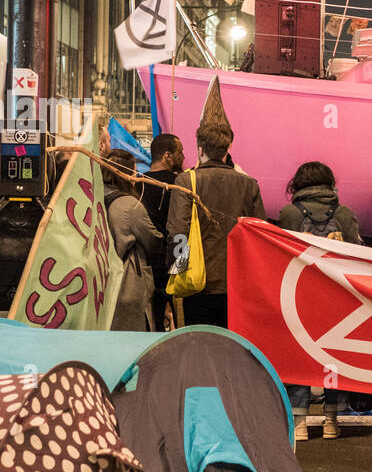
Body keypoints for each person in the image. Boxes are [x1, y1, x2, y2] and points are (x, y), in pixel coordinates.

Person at [277, 161, 362, 440]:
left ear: (298, 184)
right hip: (336, 298)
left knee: (299, 354)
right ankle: (331, 421)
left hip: (298, 295)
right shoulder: (345, 214)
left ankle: (299, 424)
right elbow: (358, 257)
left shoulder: (289, 214)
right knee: (332, 356)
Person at [165, 119, 266, 329]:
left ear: (200, 149)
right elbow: (259, 233)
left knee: (201, 343)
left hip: (197, 281)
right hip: (237, 281)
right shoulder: (249, 184)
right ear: (227, 149)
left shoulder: (186, 180)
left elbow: (177, 230)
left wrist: (179, 270)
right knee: (232, 343)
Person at [102, 149, 162, 332]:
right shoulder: (129, 205)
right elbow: (153, 241)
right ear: (127, 173)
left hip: (100, 280)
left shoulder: (93, 199)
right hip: (127, 282)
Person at [139, 133, 184, 329]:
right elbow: (182, 226)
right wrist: (181, 265)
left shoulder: (137, 183)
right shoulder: (180, 184)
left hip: (146, 261)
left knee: (152, 320)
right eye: (180, 152)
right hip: (175, 259)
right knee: (179, 320)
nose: (183, 156)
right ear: (167, 155)